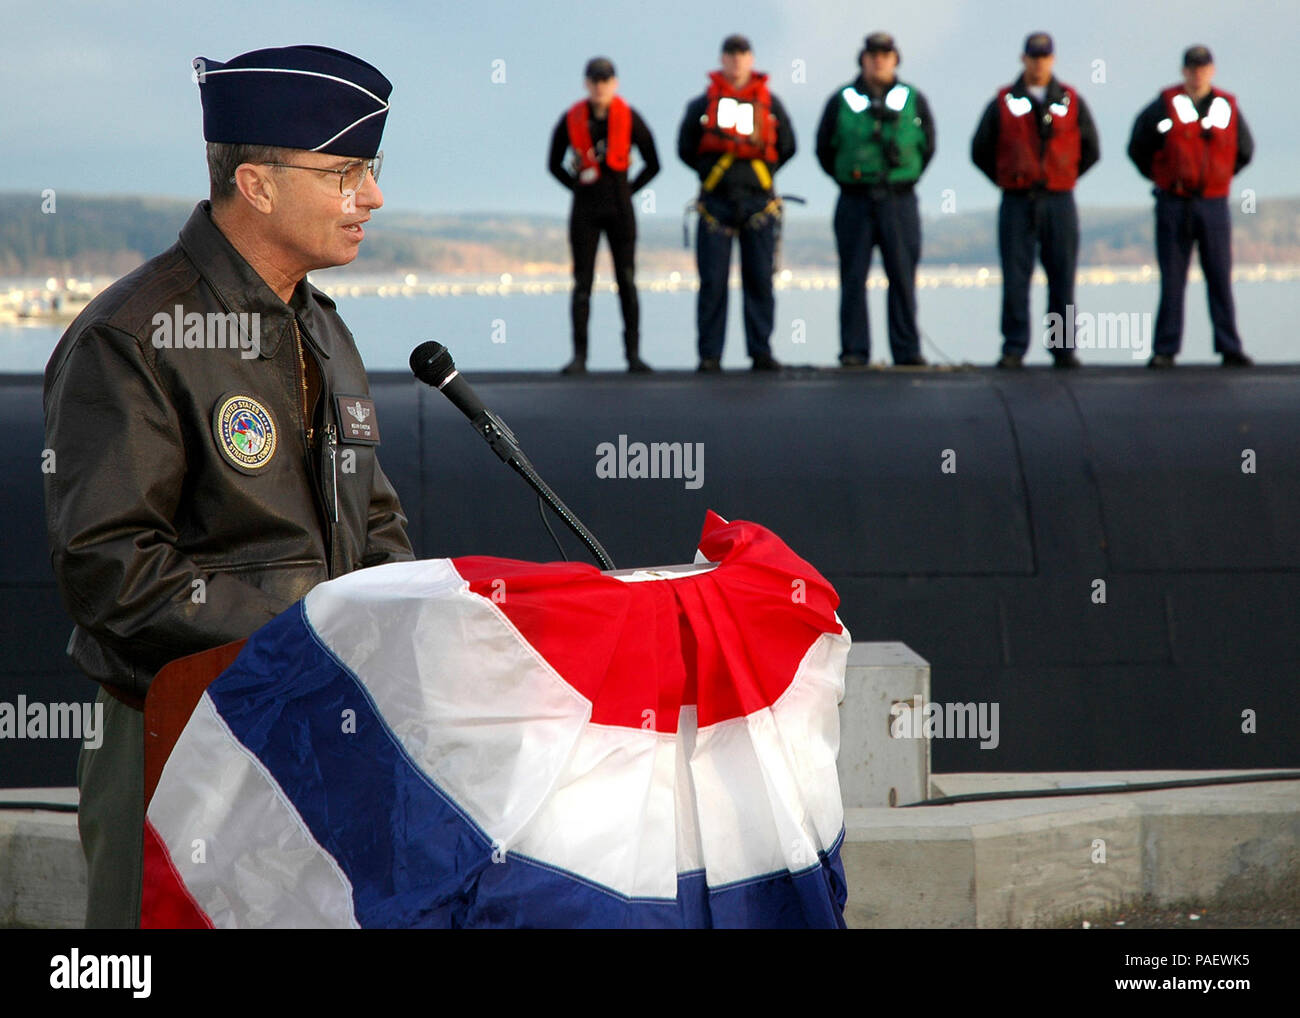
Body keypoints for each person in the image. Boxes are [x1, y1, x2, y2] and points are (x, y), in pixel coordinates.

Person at [42, 45, 415, 928]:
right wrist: (315, 632)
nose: (373, 196)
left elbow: (376, 524)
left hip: (311, 732)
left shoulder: (320, 329)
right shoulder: (134, 337)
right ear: (257, 184)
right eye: (347, 172)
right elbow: (111, 570)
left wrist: (386, 628)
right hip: (177, 736)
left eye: (372, 169)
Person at [971, 32, 1100, 368]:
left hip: (1059, 200)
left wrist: (1063, 177)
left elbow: (1091, 149)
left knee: (1062, 277)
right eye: (1033, 56)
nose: (1038, 62)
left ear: (1052, 59)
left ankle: (1062, 348)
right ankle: (1014, 347)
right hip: (1017, 200)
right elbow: (980, 149)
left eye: (1044, 56)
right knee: (1016, 278)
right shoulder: (1003, 102)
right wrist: (1008, 179)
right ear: (1023, 59)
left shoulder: (1071, 101)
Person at [1127, 45, 1255, 368]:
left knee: (1219, 277)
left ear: (1211, 70)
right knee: (1172, 278)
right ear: (1183, 71)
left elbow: (1244, 149)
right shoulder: (1164, 106)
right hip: (1173, 201)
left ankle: (1229, 345)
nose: (1197, 74)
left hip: (1212, 202)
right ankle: (1165, 349)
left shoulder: (1226, 107)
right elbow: (1138, 145)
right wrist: (1162, 176)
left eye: (1202, 68)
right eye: (1192, 68)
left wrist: (1220, 176)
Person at [815, 32, 935, 368]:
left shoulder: (913, 99)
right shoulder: (842, 100)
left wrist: (903, 178)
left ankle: (907, 351)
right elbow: (824, 148)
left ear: (895, 59)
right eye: (873, 55)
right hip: (855, 199)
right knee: (853, 277)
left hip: (899, 199)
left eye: (885, 54)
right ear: (863, 59)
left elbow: (929, 145)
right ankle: (854, 351)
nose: (879, 60)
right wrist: (851, 178)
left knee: (902, 276)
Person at [677, 34, 796, 372]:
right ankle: (710, 355)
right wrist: (710, 174)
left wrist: (762, 173)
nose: (737, 61)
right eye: (730, 54)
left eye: (742, 54)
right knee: (713, 282)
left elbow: (788, 144)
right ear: (722, 60)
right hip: (716, 204)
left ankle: (761, 351)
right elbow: (685, 147)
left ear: (751, 59)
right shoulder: (702, 105)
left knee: (760, 278)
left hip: (759, 203)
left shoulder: (771, 105)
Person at [548, 57, 660, 374]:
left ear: (615, 83)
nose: (599, 86)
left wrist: (629, 189)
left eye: (605, 80)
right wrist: (575, 187)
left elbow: (655, 163)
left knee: (627, 280)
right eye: (594, 80)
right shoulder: (572, 119)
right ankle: (580, 357)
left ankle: (633, 356)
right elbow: (553, 163)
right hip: (585, 209)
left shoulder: (629, 118)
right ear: (586, 83)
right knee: (582, 282)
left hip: (621, 208)